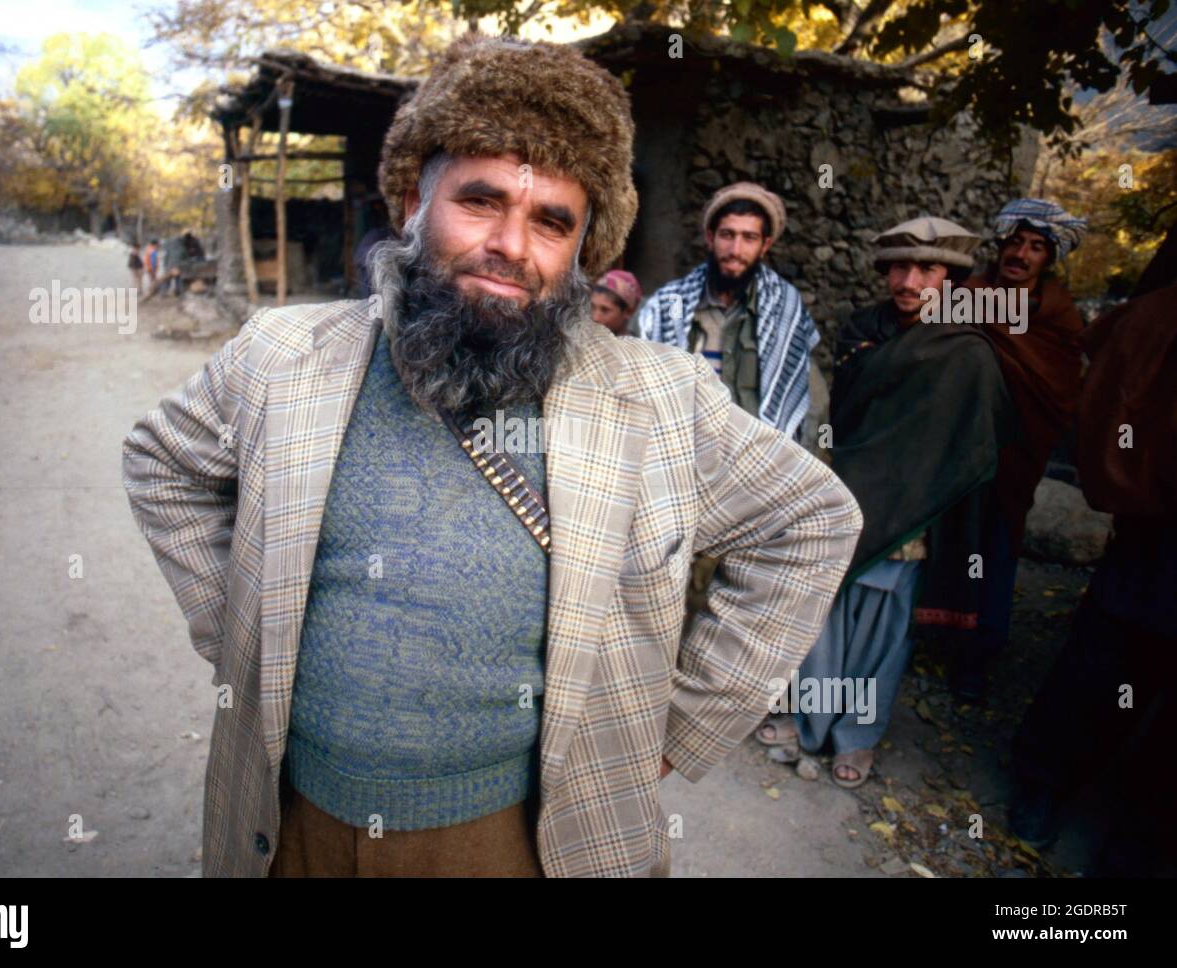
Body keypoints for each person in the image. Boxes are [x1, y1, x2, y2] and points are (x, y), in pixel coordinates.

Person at [123, 33, 861, 878]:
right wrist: (239, 634)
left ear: (581, 251)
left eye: (552, 221)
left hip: (518, 844)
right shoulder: (283, 358)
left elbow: (811, 520)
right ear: (412, 200)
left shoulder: (658, 398)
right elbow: (162, 462)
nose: (512, 244)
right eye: (480, 200)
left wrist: (685, 726)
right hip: (294, 824)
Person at [754, 217, 1015, 787]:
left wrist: (923, 498)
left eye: (927, 269)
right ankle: (808, 722)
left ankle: (858, 736)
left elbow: (972, 448)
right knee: (823, 620)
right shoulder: (861, 331)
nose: (910, 279)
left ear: (950, 279)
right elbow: (843, 421)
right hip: (845, 499)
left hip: (910, 521)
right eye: (900, 266)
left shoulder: (968, 351)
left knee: (881, 634)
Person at [1008, 271, 1177, 872]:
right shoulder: (1159, 317)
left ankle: (1139, 839)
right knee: (1104, 665)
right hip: (1158, 540)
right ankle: (1043, 779)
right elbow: (1116, 393)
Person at [638, 182, 822, 616]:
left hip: (753, 482)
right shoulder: (670, 307)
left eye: (748, 238)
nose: (735, 248)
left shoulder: (785, 313)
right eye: (727, 235)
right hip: (679, 477)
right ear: (710, 238)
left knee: (739, 605)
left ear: (766, 245)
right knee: (666, 598)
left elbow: (806, 406)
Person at [949, 199, 1089, 702]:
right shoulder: (970, 294)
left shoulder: (1060, 316)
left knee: (996, 547)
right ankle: (937, 634)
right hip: (956, 446)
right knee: (949, 542)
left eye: (1035, 248)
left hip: (1015, 455)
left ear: (1049, 260)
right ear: (1001, 245)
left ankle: (979, 654)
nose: (1021, 255)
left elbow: (1061, 387)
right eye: (1015, 243)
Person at [590, 268, 641, 334]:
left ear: (628, 312)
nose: (595, 318)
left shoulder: (634, 344)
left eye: (605, 310)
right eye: (592, 307)